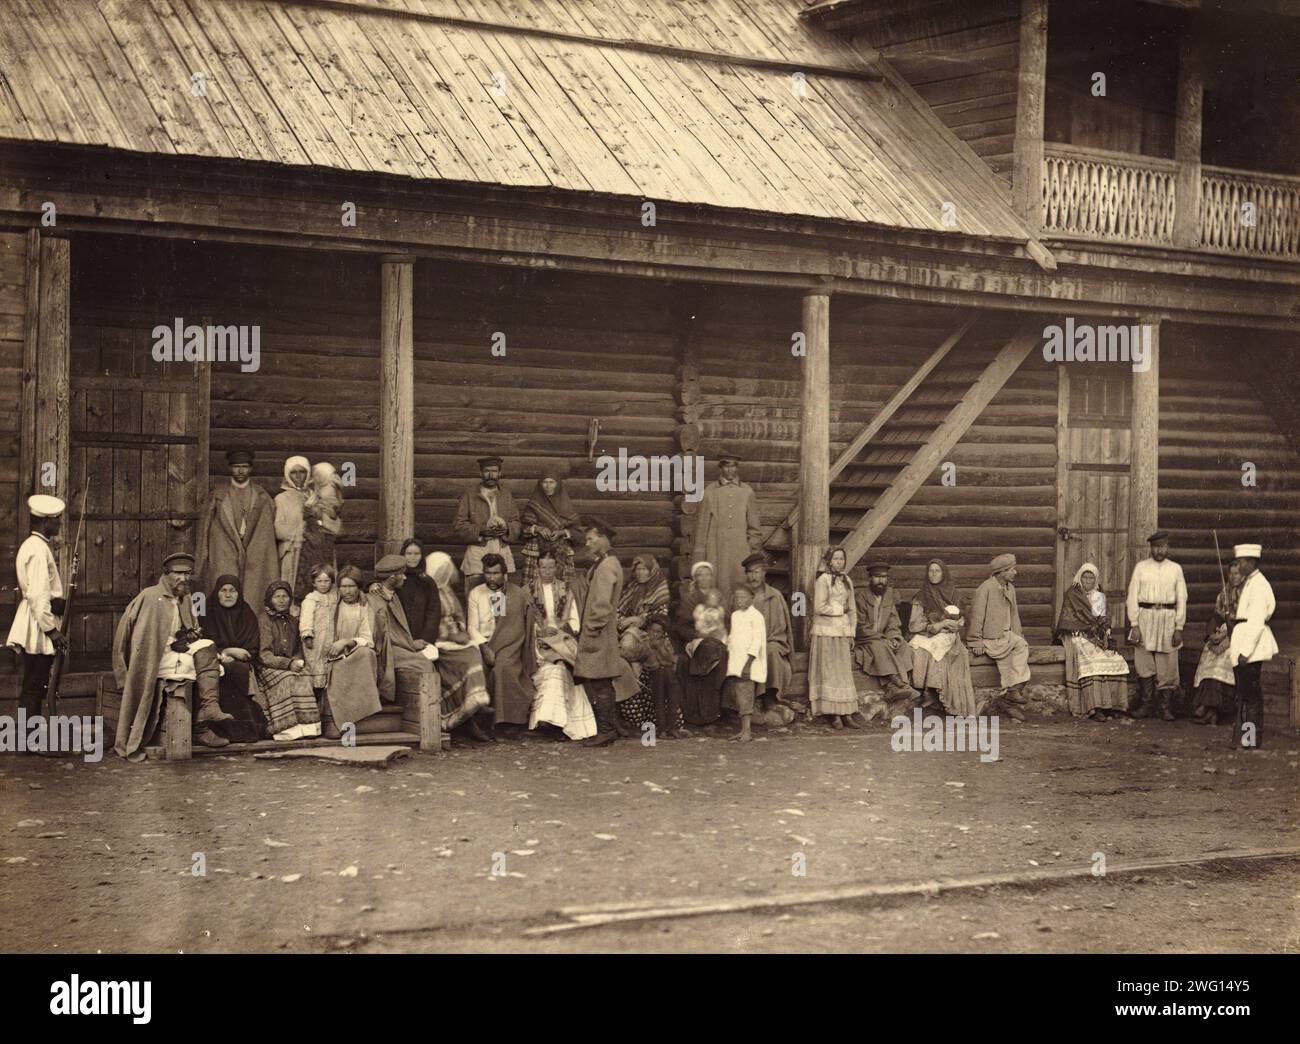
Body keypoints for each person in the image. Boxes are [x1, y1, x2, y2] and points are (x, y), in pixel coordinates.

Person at [112, 552, 234, 761]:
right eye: (179, 574)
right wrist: (122, 671)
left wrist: (189, 636)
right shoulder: (149, 597)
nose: (184, 579)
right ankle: (200, 725)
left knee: (207, 647)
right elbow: (125, 635)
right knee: (201, 663)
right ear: (166, 574)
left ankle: (208, 713)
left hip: (179, 653)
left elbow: (191, 629)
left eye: (188, 574)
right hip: (155, 658)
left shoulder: (186, 598)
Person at [367, 555, 447, 741]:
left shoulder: (392, 597)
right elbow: (382, 637)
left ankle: (433, 717)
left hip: (399, 647)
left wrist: (412, 643)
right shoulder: (375, 602)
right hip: (385, 652)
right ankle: (429, 721)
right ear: (392, 577)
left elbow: (398, 632)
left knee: (431, 659)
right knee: (424, 665)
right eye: (401, 574)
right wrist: (410, 645)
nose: (404, 578)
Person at [196, 448, 279, 612]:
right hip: (224, 551)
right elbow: (205, 528)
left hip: (255, 555)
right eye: (236, 466)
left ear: (250, 469)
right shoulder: (218, 496)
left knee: (253, 594)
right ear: (229, 468)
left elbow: (269, 530)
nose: (240, 471)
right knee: (225, 589)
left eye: (244, 467)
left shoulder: (261, 497)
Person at [420, 552, 492, 741]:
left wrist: (462, 633)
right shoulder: (427, 592)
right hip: (439, 642)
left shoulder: (448, 591)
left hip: (456, 638)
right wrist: (449, 634)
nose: (445, 574)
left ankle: (472, 713)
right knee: (470, 658)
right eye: (441, 570)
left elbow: (459, 615)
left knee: (475, 651)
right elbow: (427, 623)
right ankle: (469, 711)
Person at [7, 495, 67, 718]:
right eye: (56, 520)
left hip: (38, 620)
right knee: (35, 683)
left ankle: (30, 738)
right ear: (44, 522)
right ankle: (28, 740)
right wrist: (51, 630)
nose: (59, 523)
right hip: (38, 625)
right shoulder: (37, 550)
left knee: (35, 682)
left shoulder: (36, 546)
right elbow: (39, 595)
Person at [526, 548, 595, 740]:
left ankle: (554, 721)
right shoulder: (528, 591)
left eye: (550, 567)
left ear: (556, 567)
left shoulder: (565, 589)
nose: (547, 571)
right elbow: (523, 621)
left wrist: (559, 629)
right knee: (556, 669)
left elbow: (575, 622)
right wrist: (539, 631)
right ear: (537, 568)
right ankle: (551, 720)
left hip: (561, 641)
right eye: (543, 567)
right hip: (537, 642)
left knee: (561, 666)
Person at [468, 553, 536, 730]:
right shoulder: (476, 593)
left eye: (496, 573)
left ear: (504, 574)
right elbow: (472, 627)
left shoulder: (510, 594)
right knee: (474, 669)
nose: (491, 577)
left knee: (503, 668)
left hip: (508, 643)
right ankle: (478, 722)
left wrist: (498, 648)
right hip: (482, 643)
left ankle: (508, 720)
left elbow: (505, 626)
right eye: (487, 573)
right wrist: (484, 647)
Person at [1054, 562, 1130, 720]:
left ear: (1096, 580)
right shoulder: (1073, 594)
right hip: (1076, 635)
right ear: (1080, 578)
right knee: (1091, 661)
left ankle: (1115, 705)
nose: (1087, 581)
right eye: (1085, 577)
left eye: (1091, 578)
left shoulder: (1098, 595)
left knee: (1116, 659)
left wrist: (1105, 630)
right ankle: (1095, 708)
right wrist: (1085, 630)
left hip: (1095, 636)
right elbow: (1068, 620)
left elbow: (1102, 619)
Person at [1125, 531, 1187, 721]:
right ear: (1151, 548)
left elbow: (1182, 599)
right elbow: (1132, 597)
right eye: (1156, 547)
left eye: (1163, 547)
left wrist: (1179, 627)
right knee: (1143, 659)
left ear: (1168, 547)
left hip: (1168, 617)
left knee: (1167, 661)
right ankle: (1146, 704)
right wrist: (1134, 624)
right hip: (1145, 617)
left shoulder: (1175, 569)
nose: (1159, 550)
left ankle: (1165, 707)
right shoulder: (1141, 568)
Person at [573, 517, 624, 747]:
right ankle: (608, 728)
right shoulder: (603, 564)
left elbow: (602, 605)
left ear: (604, 539)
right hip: (601, 632)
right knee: (602, 682)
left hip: (599, 633)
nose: (588, 544)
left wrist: (591, 628)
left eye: (591, 539)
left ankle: (606, 731)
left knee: (601, 682)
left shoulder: (606, 567)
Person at [907, 558, 978, 717]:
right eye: (930, 571)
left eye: (937, 571)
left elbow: (963, 619)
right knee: (919, 649)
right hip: (930, 633)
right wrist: (937, 626)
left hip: (949, 637)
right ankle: (927, 694)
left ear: (943, 573)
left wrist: (957, 624)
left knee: (942, 652)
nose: (933, 574)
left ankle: (938, 698)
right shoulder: (921, 596)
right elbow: (914, 625)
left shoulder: (955, 594)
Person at [204, 575, 269, 743]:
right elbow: (204, 642)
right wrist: (226, 652)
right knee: (228, 671)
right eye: (223, 590)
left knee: (238, 669)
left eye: (232, 591)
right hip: (213, 661)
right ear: (217, 593)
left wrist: (238, 656)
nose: (228, 595)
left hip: (243, 663)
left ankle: (244, 729)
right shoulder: (208, 613)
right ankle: (227, 729)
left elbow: (252, 648)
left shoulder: (246, 613)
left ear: (238, 594)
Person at [319, 564, 382, 738]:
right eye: (344, 586)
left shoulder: (363, 607)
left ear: (358, 587)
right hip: (331, 656)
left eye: (351, 586)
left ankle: (359, 712)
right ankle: (341, 720)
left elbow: (367, 638)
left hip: (352, 654)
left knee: (366, 653)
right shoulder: (332, 604)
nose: (347, 591)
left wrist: (347, 641)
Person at [255, 580, 320, 741]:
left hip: (290, 665)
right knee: (287, 679)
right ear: (270, 599)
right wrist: (287, 664)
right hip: (267, 667)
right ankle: (287, 730)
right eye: (277, 596)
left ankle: (308, 728)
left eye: (285, 596)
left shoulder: (293, 621)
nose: (281, 600)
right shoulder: (264, 620)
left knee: (304, 676)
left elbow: (298, 648)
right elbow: (264, 654)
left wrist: (297, 661)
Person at [968, 553, 1030, 721]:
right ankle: (1009, 699)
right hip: (991, 638)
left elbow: (1014, 614)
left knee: (1022, 645)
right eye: (1012, 569)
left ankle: (1011, 692)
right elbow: (977, 616)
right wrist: (975, 640)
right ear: (1002, 572)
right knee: (1008, 659)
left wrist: (1018, 634)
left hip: (1007, 635)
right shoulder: (985, 588)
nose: (1015, 572)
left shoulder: (1010, 588)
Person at [1228, 543, 1277, 750]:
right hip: (1244, 638)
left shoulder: (1259, 585)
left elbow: (1256, 622)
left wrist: (1245, 651)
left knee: (1250, 695)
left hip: (1251, 645)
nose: (1239, 566)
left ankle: (1250, 740)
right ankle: (1244, 738)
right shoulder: (1251, 582)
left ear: (1251, 562)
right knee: (1246, 693)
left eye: (1242, 562)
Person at [691, 455, 762, 595]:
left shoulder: (747, 492)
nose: (730, 470)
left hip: (740, 550)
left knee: (740, 585)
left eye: (733, 466)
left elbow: (754, 527)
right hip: (716, 549)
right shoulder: (710, 491)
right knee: (717, 586)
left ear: (737, 467)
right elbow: (701, 527)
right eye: (726, 466)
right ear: (720, 468)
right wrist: (700, 555)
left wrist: (753, 551)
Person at [853, 562, 919, 707]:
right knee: (880, 646)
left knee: (903, 646)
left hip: (884, 639)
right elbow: (860, 627)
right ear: (870, 578)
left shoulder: (889, 595)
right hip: (866, 640)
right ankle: (898, 684)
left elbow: (893, 622)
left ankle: (895, 687)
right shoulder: (860, 597)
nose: (881, 581)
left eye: (884, 577)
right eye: (877, 577)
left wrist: (893, 637)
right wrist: (882, 638)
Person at [809, 546, 858, 729]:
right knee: (829, 672)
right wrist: (840, 610)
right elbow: (819, 607)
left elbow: (852, 607)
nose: (839, 562)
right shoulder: (823, 580)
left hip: (842, 632)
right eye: (836, 559)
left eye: (841, 559)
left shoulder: (847, 581)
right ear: (829, 561)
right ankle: (833, 715)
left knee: (843, 673)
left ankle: (846, 713)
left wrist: (852, 631)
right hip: (826, 632)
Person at [453, 455, 521, 589]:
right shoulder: (470, 495)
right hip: (478, 549)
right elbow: (459, 524)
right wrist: (481, 530)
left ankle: (497, 610)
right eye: (487, 471)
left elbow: (516, 522)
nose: (491, 475)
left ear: (500, 473)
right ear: (481, 473)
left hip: (501, 548)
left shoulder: (506, 495)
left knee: (499, 594)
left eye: (494, 471)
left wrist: (507, 529)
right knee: (475, 591)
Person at [675, 561, 728, 725]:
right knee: (702, 658)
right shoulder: (690, 600)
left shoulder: (719, 597)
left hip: (718, 640)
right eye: (700, 574)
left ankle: (713, 715)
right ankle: (696, 716)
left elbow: (727, 621)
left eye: (708, 574)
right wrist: (698, 634)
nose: (704, 578)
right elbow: (681, 626)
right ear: (695, 578)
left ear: (712, 577)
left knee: (718, 656)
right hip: (695, 641)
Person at [742, 552, 794, 713]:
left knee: (770, 651)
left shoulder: (774, 596)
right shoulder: (741, 596)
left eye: (757, 572)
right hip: (746, 643)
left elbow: (779, 629)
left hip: (771, 640)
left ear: (764, 573)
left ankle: (769, 696)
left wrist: (761, 642)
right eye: (750, 572)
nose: (753, 577)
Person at [1193, 561, 1241, 726]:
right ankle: (1207, 708)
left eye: (1237, 573)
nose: (1234, 577)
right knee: (1209, 655)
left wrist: (1227, 636)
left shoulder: (1246, 594)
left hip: (1238, 634)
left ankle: (1212, 710)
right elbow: (1216, 617)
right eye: (1231, 573)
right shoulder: (1223, 595)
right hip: (1222, 631)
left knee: (1223, 661)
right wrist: (1211, 634)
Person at [294, 462, 343, 600]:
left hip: (322, 541)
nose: (317, 478)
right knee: (308, 575)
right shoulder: (312, 490)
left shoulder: (331, 490)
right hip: (310, 542)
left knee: (322, 574)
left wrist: (319, 515)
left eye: (319, 475)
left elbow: (332, 518)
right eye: (315, 475)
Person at [520, 474, 579, 586]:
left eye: (551, 482)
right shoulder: (533, 504)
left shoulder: (566, 505)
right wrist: (537, 528)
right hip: (536, 551)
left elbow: (578, 532)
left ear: (557, 484)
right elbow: (522, 529)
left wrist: (562, 532)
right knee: (534, 588)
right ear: (540, 484)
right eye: (545, 482)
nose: (548, 486)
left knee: (563, 588)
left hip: (561, 552)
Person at [726, 586, 766, 742]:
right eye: (737, 597)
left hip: (748, 662)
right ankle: (742, 730)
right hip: (736, 660)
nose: (739, 600)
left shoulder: (756, 616)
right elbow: (733, 637)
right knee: (739, 694)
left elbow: (757, 641)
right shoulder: (735, 615)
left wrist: (748, 663)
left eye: (743, 597)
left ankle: (748, 731)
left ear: (751, 598)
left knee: (746, 694)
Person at [617, 554, 670, 654]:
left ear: (652, 571)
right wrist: (621, 622)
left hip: (652, 632)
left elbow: (661, 616)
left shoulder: (661, 589)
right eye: (638, 569)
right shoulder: (632, 587)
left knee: (628, 644)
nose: (640, 573)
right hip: (629, 628)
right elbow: (619, 609)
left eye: (644, 569)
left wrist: (639, 619)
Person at [298, 563, 338, 691]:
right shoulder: (311, 600)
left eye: (327, 581)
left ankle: (328, 696)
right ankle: (315, 692)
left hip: (330, 636)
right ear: (314, 583)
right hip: (315, 639)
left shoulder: (334, 597)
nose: (323, 584)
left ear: (332, 582)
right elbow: (306, 618)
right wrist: (307, 634)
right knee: (315, 663)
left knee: (329, 662)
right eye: (319, 581)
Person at [396, 537, 441, 646]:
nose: (413, 557)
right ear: (403, 555)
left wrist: (425, 639)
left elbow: (433, 613)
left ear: (422, 556)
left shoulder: (427, 582)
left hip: (421, 639)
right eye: (409, 553)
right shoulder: (396, 579)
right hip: (398, 638)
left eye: (417, 554)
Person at [273, 455, 310, 588]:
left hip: (313, 550)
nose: (298, 476)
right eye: (294, 473)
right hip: (292, 551)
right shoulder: (281, 499)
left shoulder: (314, 496)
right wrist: (300, 534)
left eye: (302, 472)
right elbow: (278, 529)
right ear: (287, 475)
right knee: (291, 587)